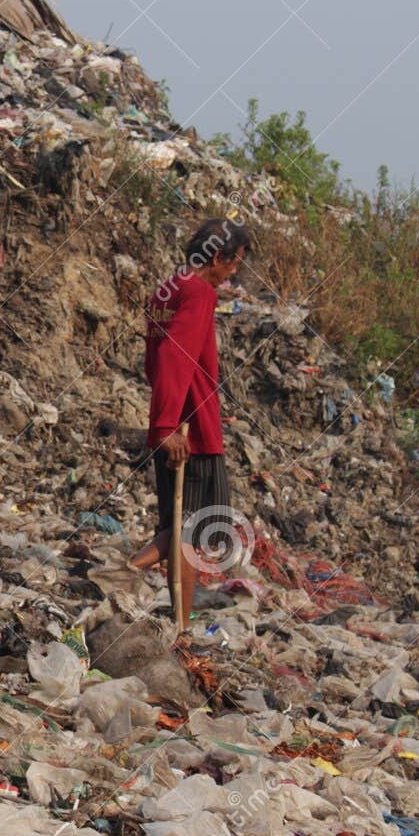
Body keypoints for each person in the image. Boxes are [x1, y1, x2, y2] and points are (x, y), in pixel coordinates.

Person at [129, 218, 253, 618]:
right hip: (191, 429)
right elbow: (174, 355)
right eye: (234, 263)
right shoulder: (199, 292)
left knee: (183, 528)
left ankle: (180, 624)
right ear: (217, 257)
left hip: (177, 423)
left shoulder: (170, 287)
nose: (233, 272)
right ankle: (125, 575)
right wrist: (167, 426)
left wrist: (163, 422)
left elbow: (155, 358)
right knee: (193, 530)